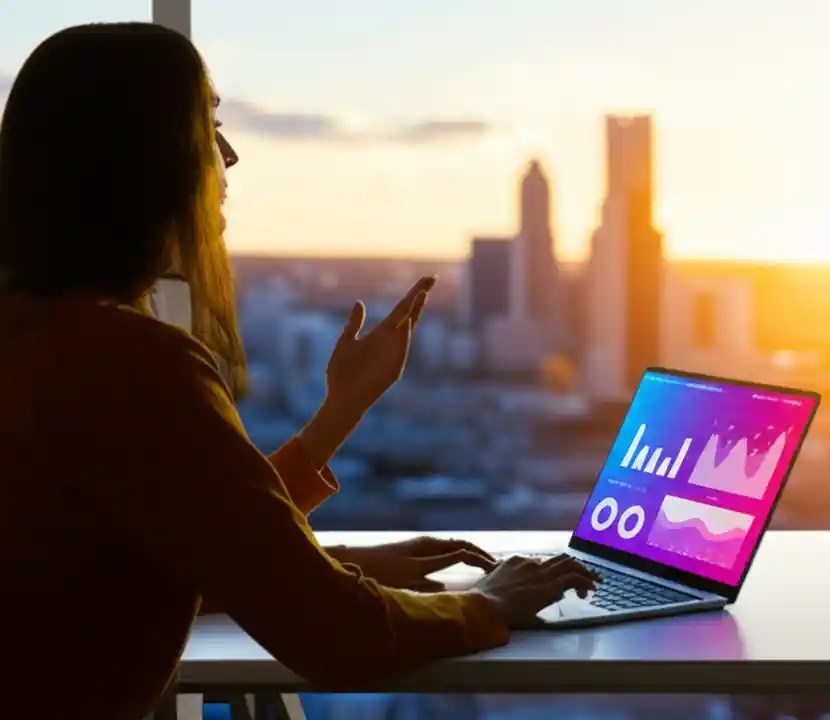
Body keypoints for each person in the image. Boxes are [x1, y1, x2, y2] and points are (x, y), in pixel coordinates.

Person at [0, 22, 595, 718]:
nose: (229, 156)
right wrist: (485, 603)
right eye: (208, 127)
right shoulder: (133, 365)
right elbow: (337, 637)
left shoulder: (38, 338)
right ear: (143, 160)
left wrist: (336, 486)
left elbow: (144, 544)